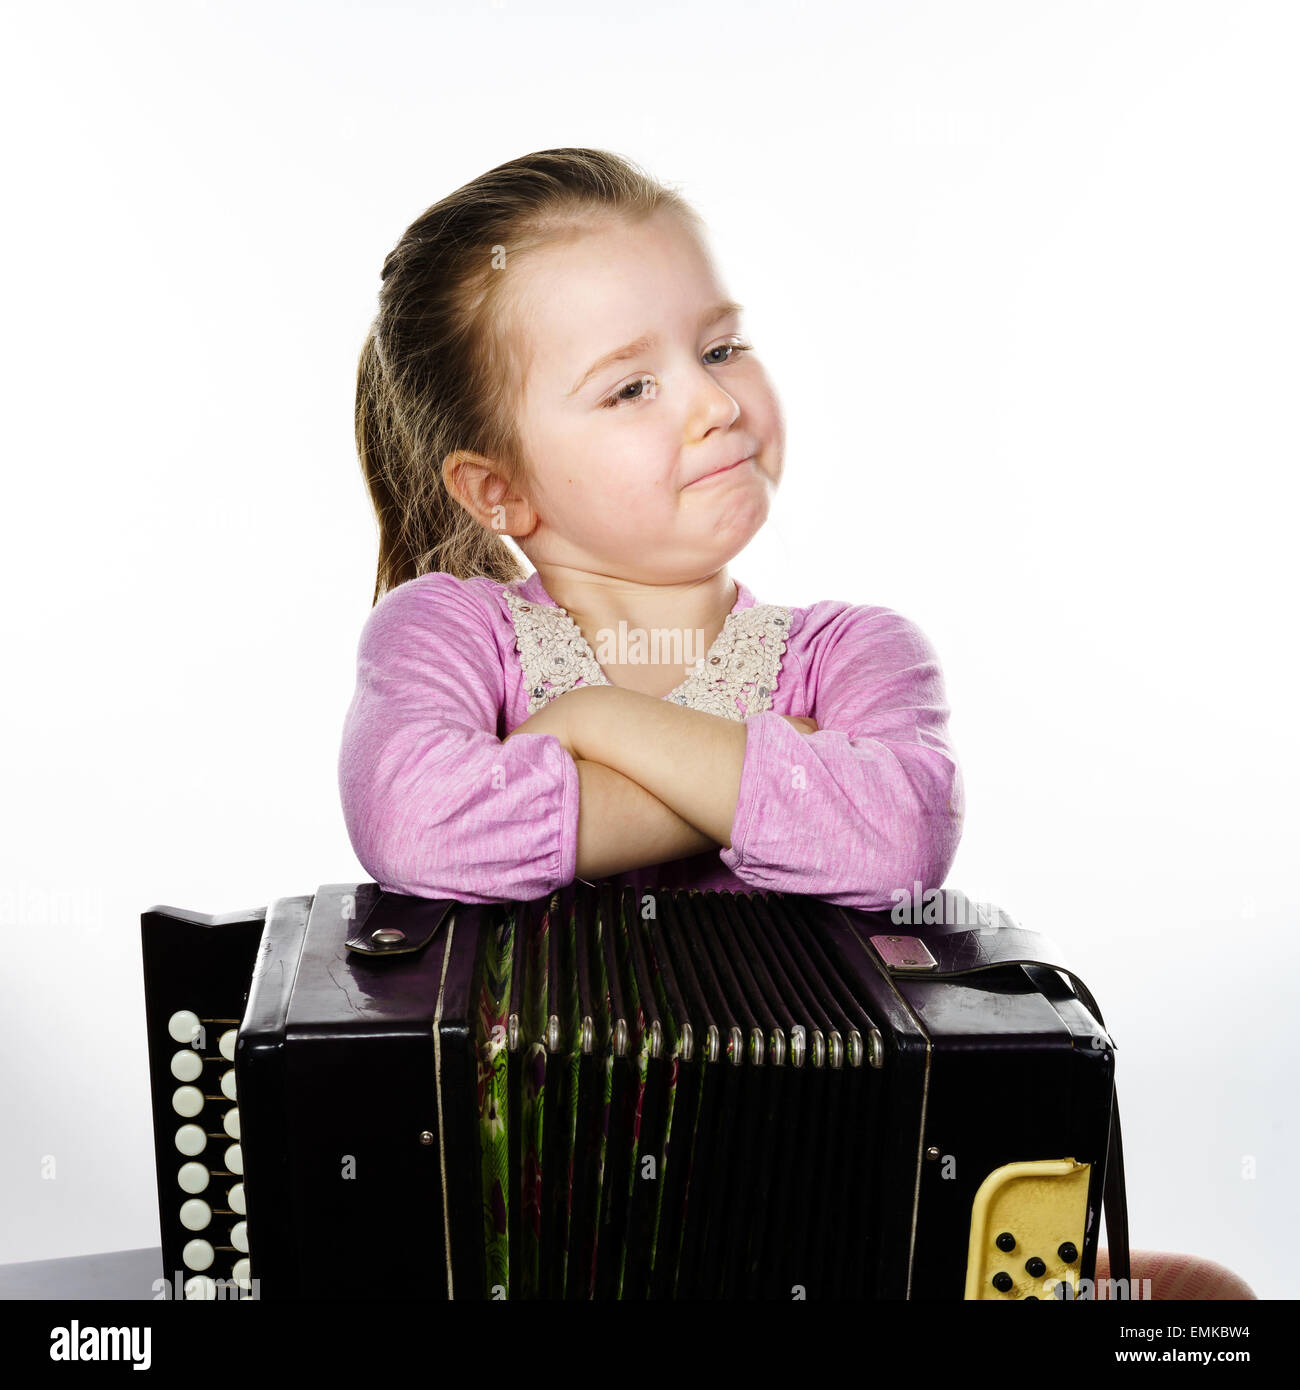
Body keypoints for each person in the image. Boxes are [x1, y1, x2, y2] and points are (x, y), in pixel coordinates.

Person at [338, 147, 1254, 1301]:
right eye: (630, 387)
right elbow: (418, 818)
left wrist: (599, 717)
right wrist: (772, 781)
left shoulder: (855, 649)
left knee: (1201, 1306)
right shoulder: (448, 633)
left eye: (720, 347)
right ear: (499, 492)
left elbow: (898, 835)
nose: (717, 402)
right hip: (537, 1235)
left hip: (837, 1225)